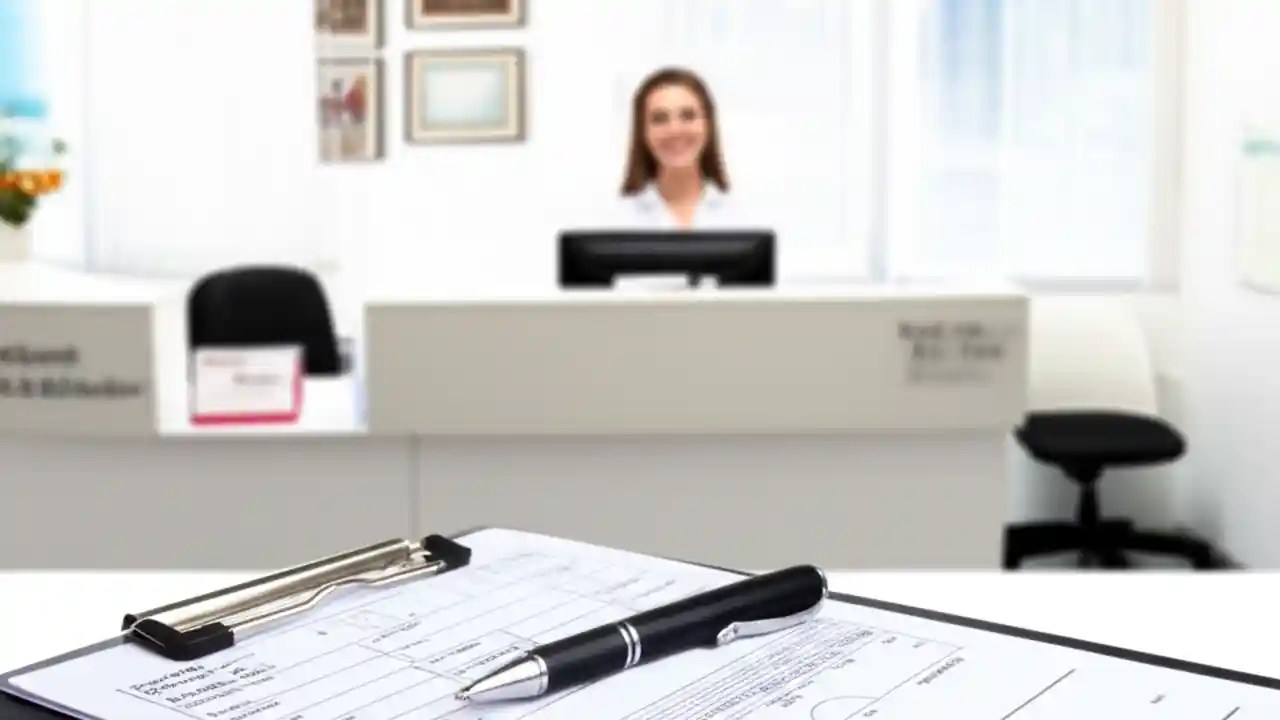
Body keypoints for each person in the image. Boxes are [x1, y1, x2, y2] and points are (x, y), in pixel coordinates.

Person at [616, 67, 742, 229]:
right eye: (660, 119)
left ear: (708, 125)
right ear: (643, 132)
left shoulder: (742, 217)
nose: (675, 130)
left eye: (688, 116)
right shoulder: (616, 220)